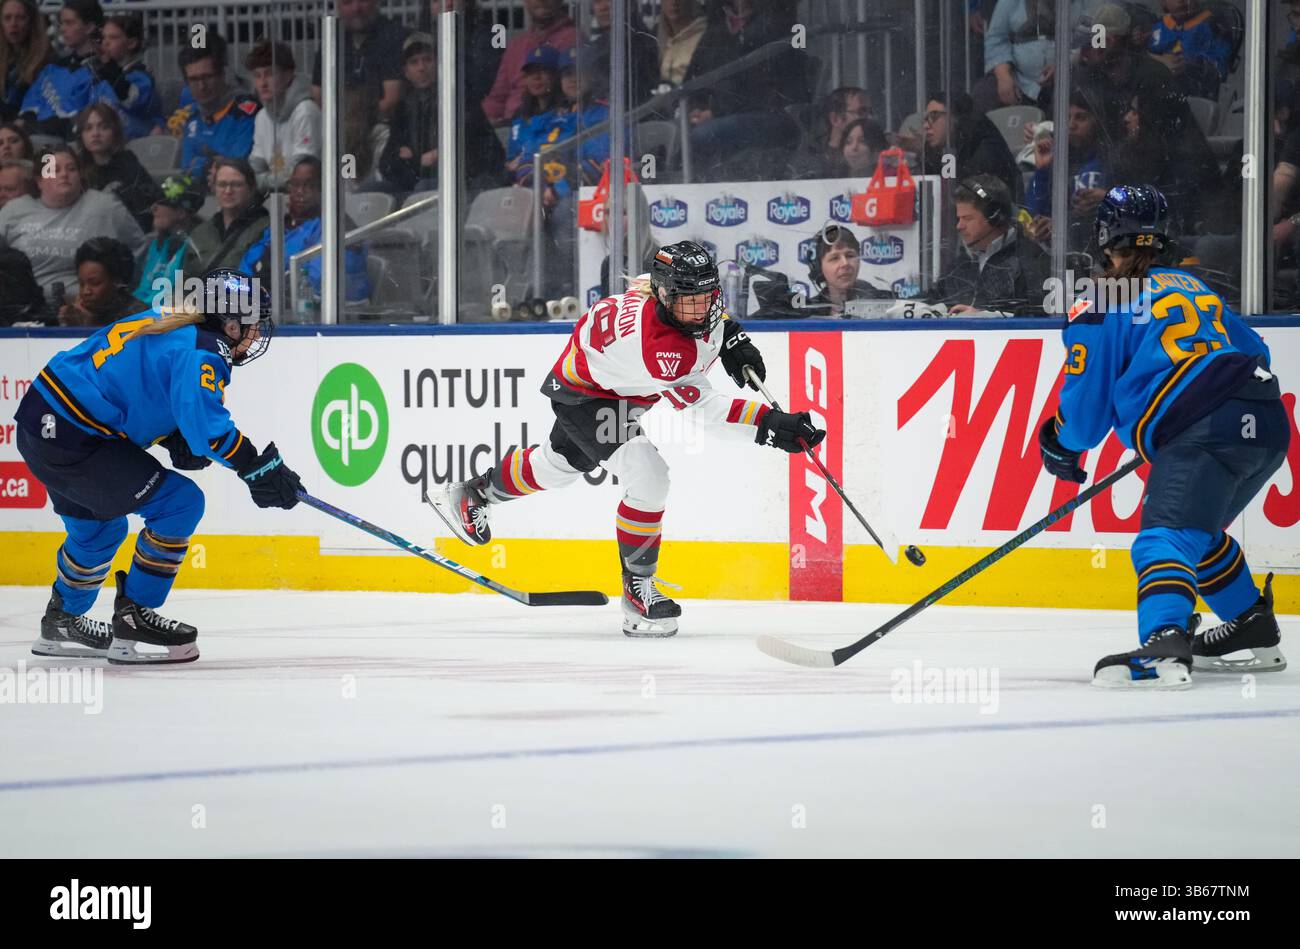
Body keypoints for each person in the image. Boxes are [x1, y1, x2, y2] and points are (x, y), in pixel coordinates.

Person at [427, 241, 826, 638]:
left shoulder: (668, 295)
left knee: (561, 464)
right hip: (587, 394)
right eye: (691, 300)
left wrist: (733, 340)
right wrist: (772, 425)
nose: (702, 308)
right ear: (667, 295)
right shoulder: (661, 350)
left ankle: (476, 493)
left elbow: (709, 321)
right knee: (648, 476)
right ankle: (638, 595)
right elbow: (709, 413)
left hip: (609, 379)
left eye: (708, 296)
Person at [1039, 184, 1288, 688]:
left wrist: (1058, 441)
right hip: (1266, 420)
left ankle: (1163, 645)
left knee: (1164, 538)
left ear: (1104, 238)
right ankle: (1250, 624)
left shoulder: (1104, 299)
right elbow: (1256, 349)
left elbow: (1084, 419)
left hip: (1206, 428)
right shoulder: (1194, 286)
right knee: (1196, 530)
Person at [12, 270, 303, 664]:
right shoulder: (204, 347)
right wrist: (257, 467)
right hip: (75, 436)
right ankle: (136, 617)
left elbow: (127, 385)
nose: (256, 334)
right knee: (180, 503)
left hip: (40, 423)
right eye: (253, 324)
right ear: (231, 323)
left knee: (98, 530)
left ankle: (62, 619)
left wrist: (169, 435)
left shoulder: (168, 319)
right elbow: (209, 434)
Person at [0, 144, 143, 301]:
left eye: (71, 169)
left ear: (80, 175)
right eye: (54, 170)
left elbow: (138, 250)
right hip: (23, 308)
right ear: (39, 180)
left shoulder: (106, 207)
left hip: (92, 308)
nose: (64, 175)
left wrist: (122, 294)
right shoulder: (14, 210)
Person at [239, 156, 370, 304]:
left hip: (320, 317)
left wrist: (269, 287)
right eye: (295, 184)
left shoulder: (339, 226)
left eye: (308, 185)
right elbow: (248, 265)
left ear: (324, 188)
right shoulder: (280, 227)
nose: (299, 191)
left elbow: (318, 281)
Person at [931, 174, 1049, 314]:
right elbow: (934, 297)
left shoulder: (1028, 262)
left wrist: (983, 317)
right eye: (959, 218)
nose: (959, 226)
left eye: (967, 218)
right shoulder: (962, 264)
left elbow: (1037, 318)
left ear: (995, 217)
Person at [169, 33, 260, 185]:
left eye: (207, 77)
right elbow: (187, 174)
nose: (201, 86)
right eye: (193, 80)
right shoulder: (191, 117)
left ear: (223, 74)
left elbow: (237, 169)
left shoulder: (245, 112)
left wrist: (203, 164)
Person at [310, 0, 410, 123]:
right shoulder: (332, 39)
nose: (356, 8)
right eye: (348, 2)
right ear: (338, 6)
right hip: (340, 129)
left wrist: (353, 121)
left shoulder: (394, 36)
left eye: (363, 1)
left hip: (386, 127)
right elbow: (318, 95)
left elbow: (391, 101)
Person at [481, 0, 577, 126]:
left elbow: (570, 93)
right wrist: (481, 119)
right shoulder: (517, 44)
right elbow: (497, 96)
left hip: (551, 126)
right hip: (509, 127)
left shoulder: (573, 40)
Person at [18, 0, 102, 138]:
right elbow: (30, 105)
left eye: (69, 23)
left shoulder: (101, 72)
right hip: (37, 139)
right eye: (61, 23)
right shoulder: (53, 66)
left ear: (89, 27)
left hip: (70, 146)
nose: (62, 29)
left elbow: (76, 119)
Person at [246, 40, 321, 193]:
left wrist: (259, 181)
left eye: (270, 74)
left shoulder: (305, 111)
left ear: (288, 75)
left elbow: (300, 173)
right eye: (257, 76)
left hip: (310, 196)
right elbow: (255, 167)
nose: (262, 83)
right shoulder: (261, 116)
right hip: (278, 195)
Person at [75, 101, 162, 231]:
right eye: (88, 128)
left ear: (114, 131)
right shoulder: (75, 169)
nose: (96, 134)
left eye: (103, 127)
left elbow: (154, 200)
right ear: (81, 135)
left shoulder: (128, 161)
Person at [918, 91, 1020, 197]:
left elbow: (979, 195)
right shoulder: (948, 149)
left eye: (934, 116)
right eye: (925, 119)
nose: (926, 125)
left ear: (956, 117)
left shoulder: (986, 149)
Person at [181, 157, 268, 276]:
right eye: (222, 185)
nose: (228, 191)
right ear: (214, 189)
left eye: (236, 185)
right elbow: (184, 278)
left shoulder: (266, 229)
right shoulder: (201, 232)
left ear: (251, 188)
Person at [135, 173, 203, 306]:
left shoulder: (196, 249)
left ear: (181, 213)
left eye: (162, 202)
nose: (153, 208)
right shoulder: (153, 244)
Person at [94, 13, 164, 139]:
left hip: (140, 142)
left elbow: (129, 98)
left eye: (113, 37)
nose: (105, 43)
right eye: (104, 38)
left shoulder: (143, 77)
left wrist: (109, 67)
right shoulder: (102, 77)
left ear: (131, 43)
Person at [1147, 0, 1232, 100]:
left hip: (1195, 95)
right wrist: (1160, 62)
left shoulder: (1211, 24)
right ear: (1162, 2)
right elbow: (1145, 55)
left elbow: (1220, 66)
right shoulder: (1159, 28)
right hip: (1159, 92)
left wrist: (1190, 65)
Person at [57, 235, 149, 326]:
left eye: (95, 283)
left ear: (117, 282)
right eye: (81, 284)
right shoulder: (78, 312)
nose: (85, 291)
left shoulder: (139, 316)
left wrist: (90, 326)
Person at [0, 0, 52, 122]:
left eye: (20, 18)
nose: (13, 24)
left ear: (31, 22)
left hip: (31, 129)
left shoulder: (47, 61)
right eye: (7, 18)